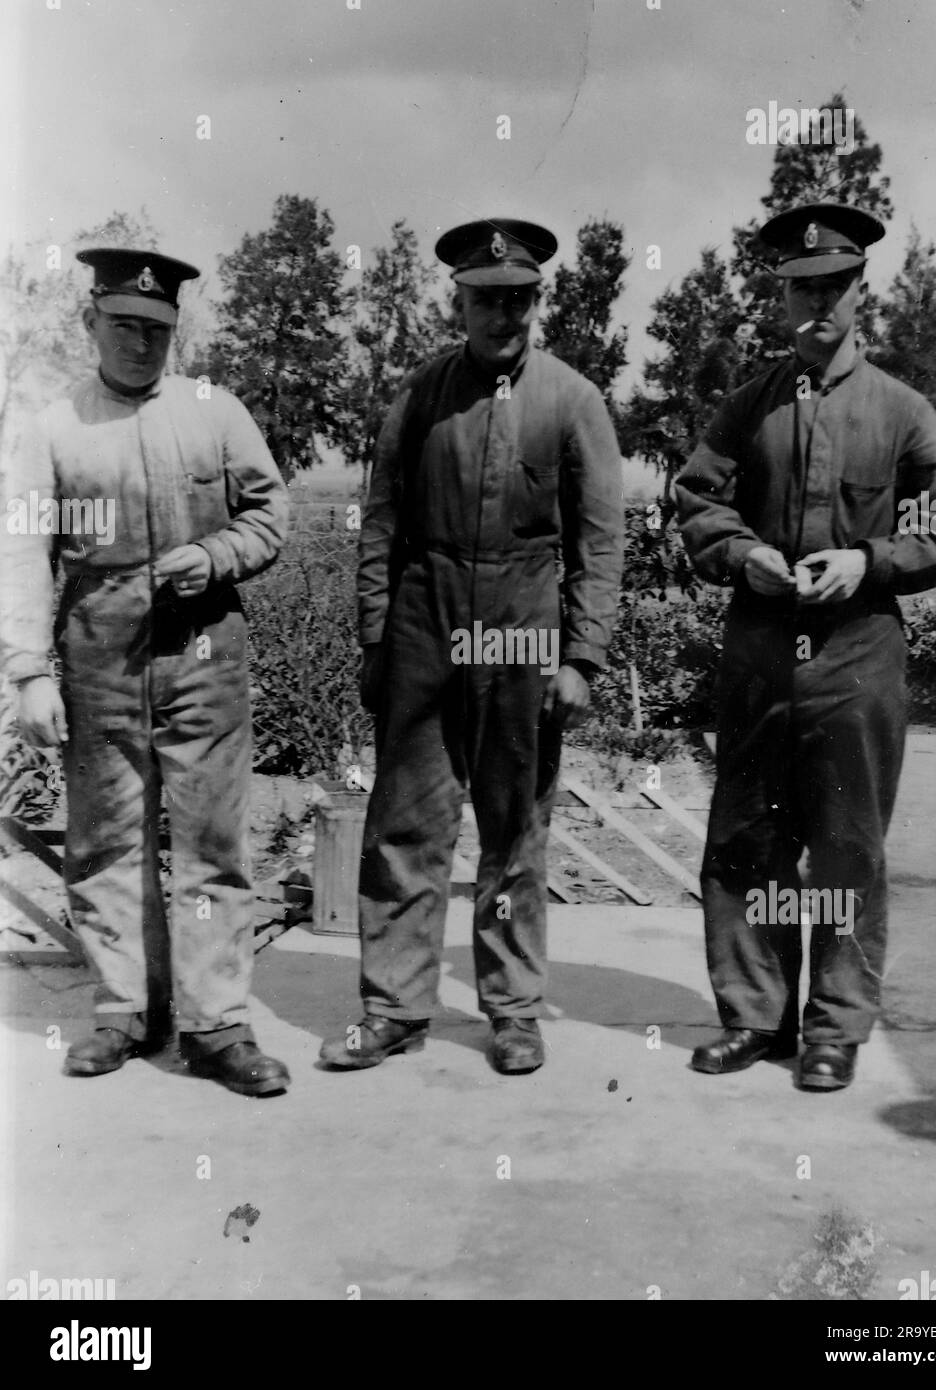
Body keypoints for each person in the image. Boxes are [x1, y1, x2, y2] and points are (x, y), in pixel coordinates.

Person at [319, 218, 624, 1075]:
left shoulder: (573, 401)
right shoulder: (420, 396)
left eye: (518, 299)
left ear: (537, 300)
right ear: (458, 301)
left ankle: (515, 1011)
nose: (503, 316)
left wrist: (582, 657)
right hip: (427, 618)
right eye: (486, 300)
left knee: (514, 826)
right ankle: (392, 1008)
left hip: (525, 624)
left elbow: (600, 543)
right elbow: (381, 523)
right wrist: (375, 638)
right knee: (404, 824)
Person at [676, 203, 936, 1090]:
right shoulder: (747, 406)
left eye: (834, 287)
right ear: (782, 297)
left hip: (857, 657)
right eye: (803, 290)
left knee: (845, 845)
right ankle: (756, 1018)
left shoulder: (905, 413)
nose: (819, 305)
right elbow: (697, 500)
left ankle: (834, 1028)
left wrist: (868, 561)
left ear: (859, 289)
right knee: (749, 841)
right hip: (760, 655)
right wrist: (744, 555)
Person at [0, 248, 291, 1096]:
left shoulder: (215, 411)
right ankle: (125, 1010)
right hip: (98, 650)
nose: (140, 343)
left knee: (212, 841)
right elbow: (22, 552)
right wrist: (29, 674)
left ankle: (216, 1024)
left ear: (174, 331)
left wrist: (217, 554)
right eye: (124, 326)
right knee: (105, 841)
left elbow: (269, 512)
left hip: (205, 648)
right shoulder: (53, 427)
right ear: (90, 321)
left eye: (156, 330)